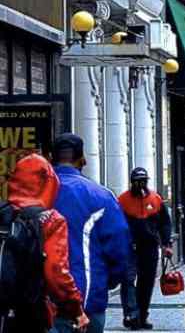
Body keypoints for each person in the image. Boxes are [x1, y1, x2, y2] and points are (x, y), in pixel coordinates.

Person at [51, 134, 131, 333]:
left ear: (50, 157)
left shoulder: (37, 195)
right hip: (88, 296)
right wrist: (108, 280)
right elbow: (120, 248)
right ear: (82, 160)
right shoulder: (101, 196)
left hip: (43, 301)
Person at [3, 154, 89, 333]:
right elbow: (57, 272)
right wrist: (76, 310)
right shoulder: (50, 220)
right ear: (48, 182)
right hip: (31, 314)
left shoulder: (3, 213)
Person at [117, 168, 173, 330]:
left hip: (150, 247)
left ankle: (142, 315)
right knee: (128, 279)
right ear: (132, 182)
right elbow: (116, 225)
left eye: (143, 181)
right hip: (129, 247)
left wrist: (167, 244)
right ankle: (131, 313)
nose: (141, 184)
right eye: (137, 181)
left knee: (146, 282)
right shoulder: (123, 201)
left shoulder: (156, 199)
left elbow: (165, 223)